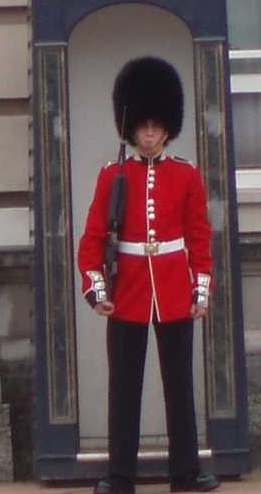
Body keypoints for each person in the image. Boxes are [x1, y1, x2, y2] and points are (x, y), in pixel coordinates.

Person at [77, 57, 219, 494]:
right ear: (132, 128)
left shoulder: (187, 173)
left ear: (167, 127)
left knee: (180, 389)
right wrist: (97, 289)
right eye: (143, 127)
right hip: (129, 293)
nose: (150, 134)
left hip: (174, 290)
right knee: (124, 390)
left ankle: (186, 475)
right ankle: (121, 477)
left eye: (157, 126)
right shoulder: (112, 175)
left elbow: (199, 236)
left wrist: (200, 290)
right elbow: (92, 239)